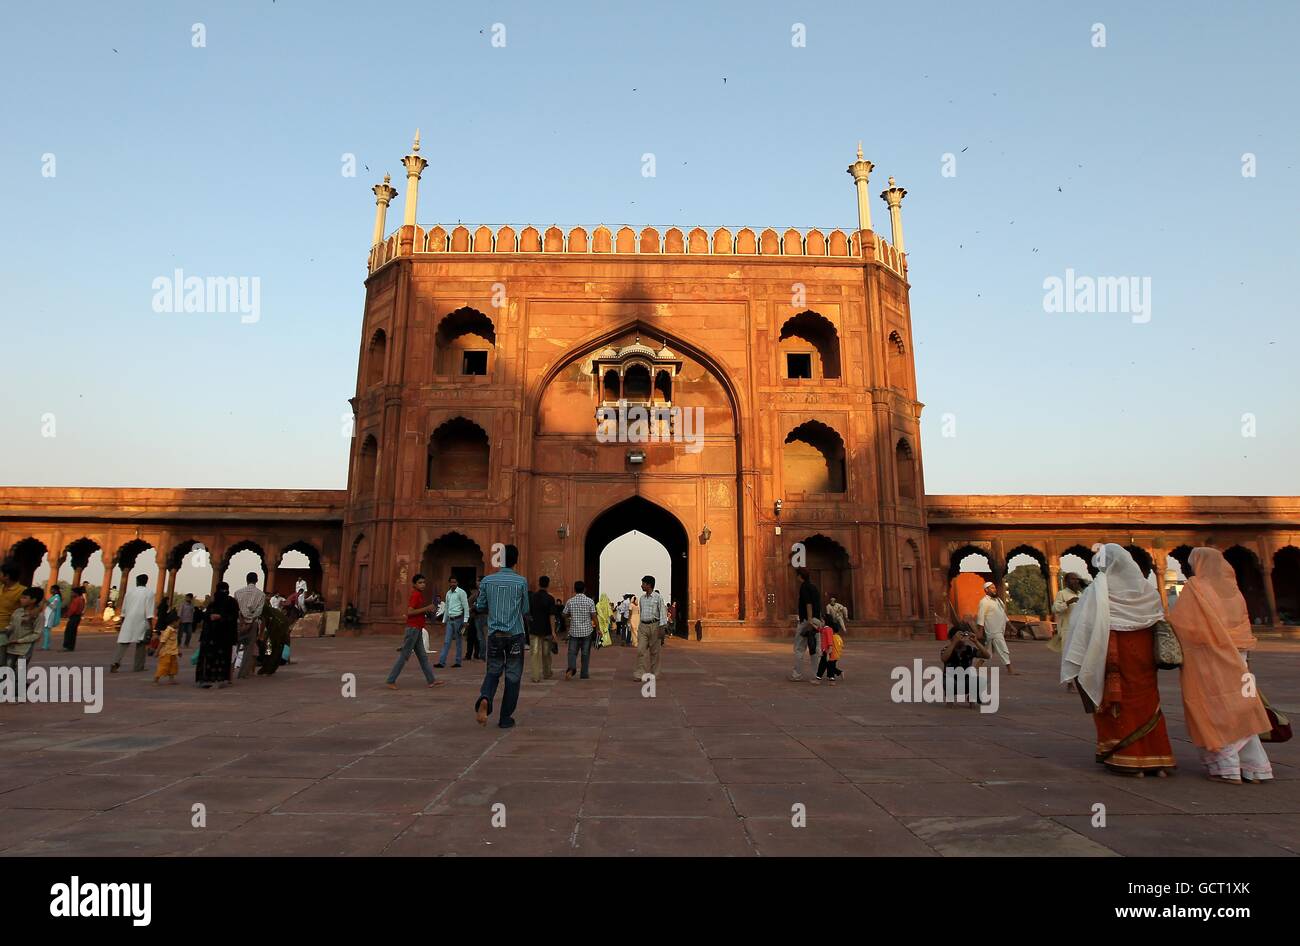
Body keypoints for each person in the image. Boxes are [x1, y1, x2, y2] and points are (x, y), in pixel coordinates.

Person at [1061, 544, 1175, 777]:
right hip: (1143, 658)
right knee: (1147, 703)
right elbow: (1158, 619)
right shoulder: (1147, 591)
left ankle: (1127, 758)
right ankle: (1157, 758)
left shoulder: (1098, 590)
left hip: (1111, 655)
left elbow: (1082, 626)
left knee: (1115, 702)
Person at [1169, 547, 1273, 784]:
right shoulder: (1234, 591)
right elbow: (1243, 623)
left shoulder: (1197, 588)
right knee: (1241, 706)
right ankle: (1255, 769)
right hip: (1239, 653)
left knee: (1215, 706)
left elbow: (1186, 625)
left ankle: (1227, 768)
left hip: (1210, 656)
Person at [474, 545, 530, 729]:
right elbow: (525, 610)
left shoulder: (487, 581)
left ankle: (485, 698)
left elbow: (480, 605)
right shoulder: (521, 582)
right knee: (513, 676)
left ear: (500, 558)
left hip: (494, 634)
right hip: (515, 634)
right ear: (517, 560)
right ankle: (505, 718)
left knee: (493, 670)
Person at [386, 574, 445, 690]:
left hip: (417, 628)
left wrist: (426, 612)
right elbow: (410, 612)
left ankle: (431, 680)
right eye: (420, 582)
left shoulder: (419, 595)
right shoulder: (416, 595)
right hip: (413, 629)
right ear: (414, 584)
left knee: (423, 656)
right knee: (404, 656)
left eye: (423, 582)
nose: (422, 584)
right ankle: (390, 680)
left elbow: (417, 612)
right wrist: (427, 608)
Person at [196, 582, 239, 688]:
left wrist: (219, 617)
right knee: (220, 657)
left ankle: (209, 679)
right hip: (221, 636)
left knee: (215, 657)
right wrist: (213, 617)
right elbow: (233, 618)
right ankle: (216, 679)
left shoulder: (217, 603)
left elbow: (232, 617)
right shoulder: (229, 602)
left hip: (215, 635)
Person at [111, 574, 154, 673]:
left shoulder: (129, 592)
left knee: (123, 642)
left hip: (128, 619)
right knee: (141, 644)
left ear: (137, 581)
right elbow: (149, 612)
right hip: (141, 620)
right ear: (146, 581)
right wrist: (151, 626)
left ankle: (115, 663)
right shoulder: (149, 593)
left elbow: (124, 609)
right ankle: (138, 666)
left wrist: (122, 621)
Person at [941, 621, 990, 707]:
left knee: (982, 681)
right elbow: (944, 658)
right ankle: (950, 700)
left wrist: (976, 642)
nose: (961, 640)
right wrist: (954, 642)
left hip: (966, 681)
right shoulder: (947, 649)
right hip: (952, 681)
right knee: (949, 682)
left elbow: (987, 655)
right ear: (951, 638)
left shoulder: (969, 649)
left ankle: (972, 697)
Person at [789, 566, 823, 683]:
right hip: (817, 620)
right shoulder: (814, 587)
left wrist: (809, 620)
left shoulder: (804, 587)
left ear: (800, 576)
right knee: (815, 649)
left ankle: (796, 675)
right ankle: (817, 675)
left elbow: (808, 604)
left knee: (799, 648)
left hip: (807, 621)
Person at [977, 581, 1017, 675]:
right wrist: (979, 631)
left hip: (1000, 629)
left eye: (994, 588)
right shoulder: (984, 602)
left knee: (988, 651)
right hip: (993, 630)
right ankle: (1010, 669)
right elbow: (981, 617)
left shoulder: (998, 600)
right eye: (992, 588)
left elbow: (1003, 615)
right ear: (986, 590)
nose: (994, 590)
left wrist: (1011, 626)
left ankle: (977, 666)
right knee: (1003, 648)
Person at [632, 575, 667, 682]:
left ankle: (654, 674)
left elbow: (662, 613)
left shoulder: (658, 597)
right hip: (643, 625)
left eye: (643, 584)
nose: (641, 586)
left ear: (649, 585)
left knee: (655, 652)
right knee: (640, 650)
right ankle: (639, 674)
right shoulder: (642, 598)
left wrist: (662, 628)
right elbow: (642, 612)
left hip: (655, 626)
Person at [233, 573, 267, 680]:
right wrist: (250, 621)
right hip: (253, 624)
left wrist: (243, 620)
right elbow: (259, 611)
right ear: (256, 580)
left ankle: (229, 672)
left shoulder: (238, 593)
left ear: (246, 579)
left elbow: (237, 609)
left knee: (234, 648)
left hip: (239, 623)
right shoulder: (261, 595)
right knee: (248, 650)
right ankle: (242, 674)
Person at [562, 580, 597, 680]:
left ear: (574, 589)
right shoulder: (590, 601)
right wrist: (598, 628)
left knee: (572, 652)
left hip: (574, 631)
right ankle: (584, 674)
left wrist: (570, 615)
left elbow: (563, 614)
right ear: (584, 589)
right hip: (587, 631)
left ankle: (571, 669)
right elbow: (594, 616)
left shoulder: (570, 601)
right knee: (585, 654)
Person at [4, 586, 44, 669]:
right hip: (11, 647)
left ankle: (20, 681)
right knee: (8, 669)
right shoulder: (17, 611)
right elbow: (12, 625)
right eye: (21, 597)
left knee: (20, 670)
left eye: (24, 598)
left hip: (24, 649)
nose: (21, 599)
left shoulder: (39, 616)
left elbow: (37, 634)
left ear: (33, 600)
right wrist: (6, 630)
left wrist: (19, 641)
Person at [435, 575, 470, 669]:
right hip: (450, 620)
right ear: (449, 583)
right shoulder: (448, 593)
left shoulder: (461, 592)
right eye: (451, 582)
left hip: (458, 619)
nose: (453, 584)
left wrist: (466, 620)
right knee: (446, 641)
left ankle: (458, 661)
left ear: (457, 583)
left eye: (455, 582)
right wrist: (444, 620)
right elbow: (446, 607)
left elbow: (465, 607)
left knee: (458, 641)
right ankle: (442, 662)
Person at [528, 576, 556, 683]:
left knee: (534, 653)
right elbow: (552, 615)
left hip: (534, 628)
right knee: (546, 653)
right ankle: (547, 672)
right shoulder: (550, 598)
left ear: (539, 584)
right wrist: (553, 631)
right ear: (548, 584)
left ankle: (535, 676)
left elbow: (527, 612)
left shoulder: (532, 597)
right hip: (546, 629)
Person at [153, 616, 181, 685]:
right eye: (178, 622)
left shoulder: (174, 631)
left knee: (173, 666)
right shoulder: (168, 631)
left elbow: (175, 643)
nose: (179, 624)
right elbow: (162, 641)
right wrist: (157, 651)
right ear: (174, 622)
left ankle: (171, 679)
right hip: (166, 652)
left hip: (173, 652)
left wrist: (178, 651)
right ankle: (156, 679)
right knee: (163, 666)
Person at [61, 585, 86, 651]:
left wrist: (67, 615)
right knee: (73, 632)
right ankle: (71, 647)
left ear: (76, 593)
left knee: (69, 632)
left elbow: (73, 610)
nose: (71, 594)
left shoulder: (76, 600)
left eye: (72, 592)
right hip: (77, 617)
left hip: (74, 617)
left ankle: (67, 646)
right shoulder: (81, 600)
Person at [41, 584, 62, 650]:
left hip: (50, 615)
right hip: (48, 615)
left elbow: (54, 607)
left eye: (51, 589)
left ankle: (45, 646)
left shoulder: (56, 597)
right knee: (46, 630)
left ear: (55, 590)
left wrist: (46, 601)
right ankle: (46, 645)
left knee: (46, 630)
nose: (50, 590)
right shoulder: (54, 597)